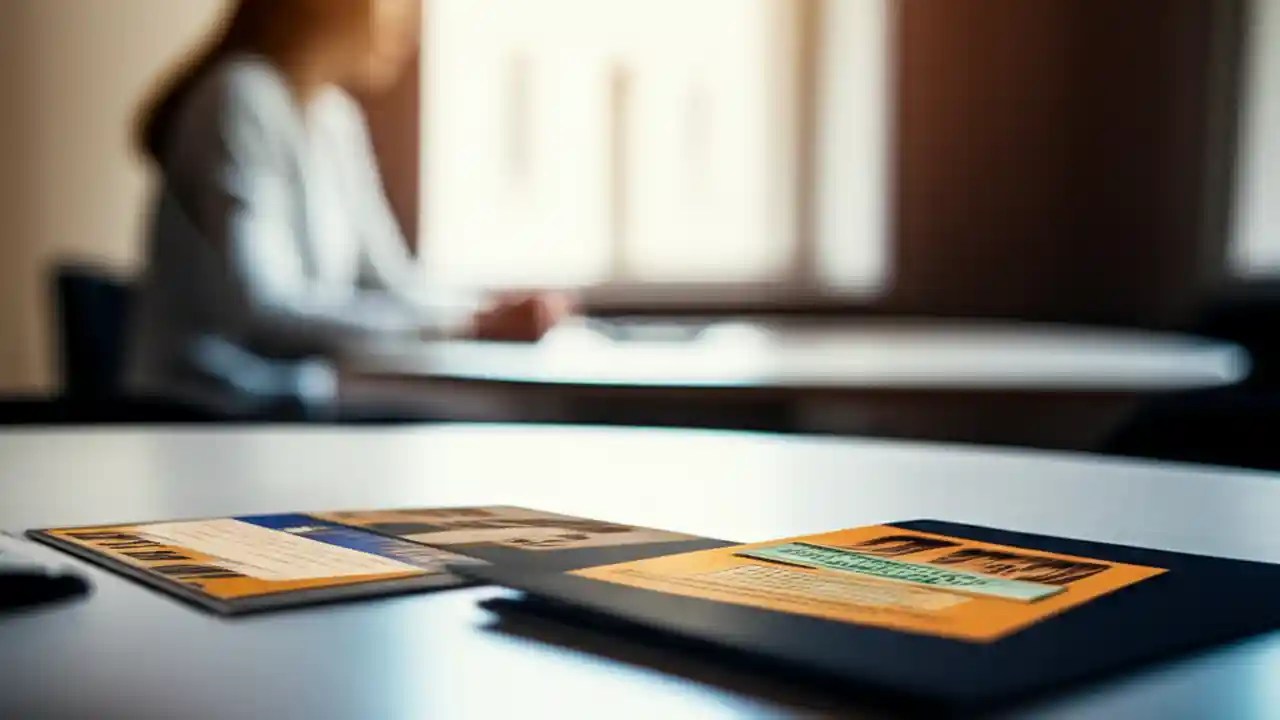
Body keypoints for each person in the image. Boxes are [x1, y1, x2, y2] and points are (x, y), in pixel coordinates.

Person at [128, 0, 570, 416]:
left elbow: (392, 280)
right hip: (207, 407)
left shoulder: (333, 118)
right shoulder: (238, 97)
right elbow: (265, 310)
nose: (409, 21)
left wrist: (479, 312)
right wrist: (462, 326)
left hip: (301, 393)